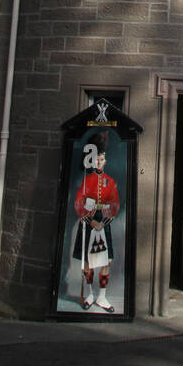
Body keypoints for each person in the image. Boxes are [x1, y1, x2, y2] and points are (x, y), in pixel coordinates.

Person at [72, 132, 120, 312]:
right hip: (89, 223)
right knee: (87, 262)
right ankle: (90, 294)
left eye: (102, 160)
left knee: (106, 262)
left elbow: (115, 204)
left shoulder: (110, 182)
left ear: (105, 161)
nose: (99, 162)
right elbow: (78, 203)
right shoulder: (87, 180)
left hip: (103, 223)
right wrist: (91, 221)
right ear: (94, 161)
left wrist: (104, 222)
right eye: (97, 160)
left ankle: (102, 297)